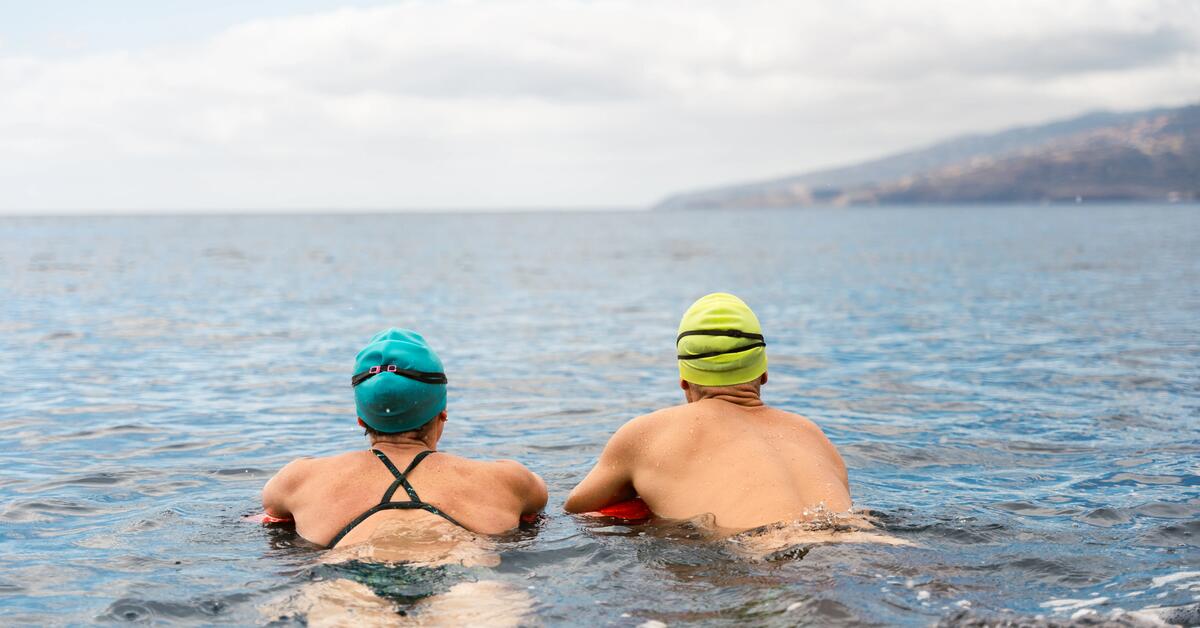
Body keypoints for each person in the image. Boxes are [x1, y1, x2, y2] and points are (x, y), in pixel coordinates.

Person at [564, 293, 852, 532]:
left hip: (762, 558)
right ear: (763, 373)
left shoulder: (647, 435)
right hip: (861, 546)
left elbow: (576, 511)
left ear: (684, 381)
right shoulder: (811, 434)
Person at [262, 328, 548, 549]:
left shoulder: (298, 479)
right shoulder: (510, 481)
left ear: (361, 419)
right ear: (442, 414)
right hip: (462, 567)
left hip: (349, 569)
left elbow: (273, 510)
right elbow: (540, 501)